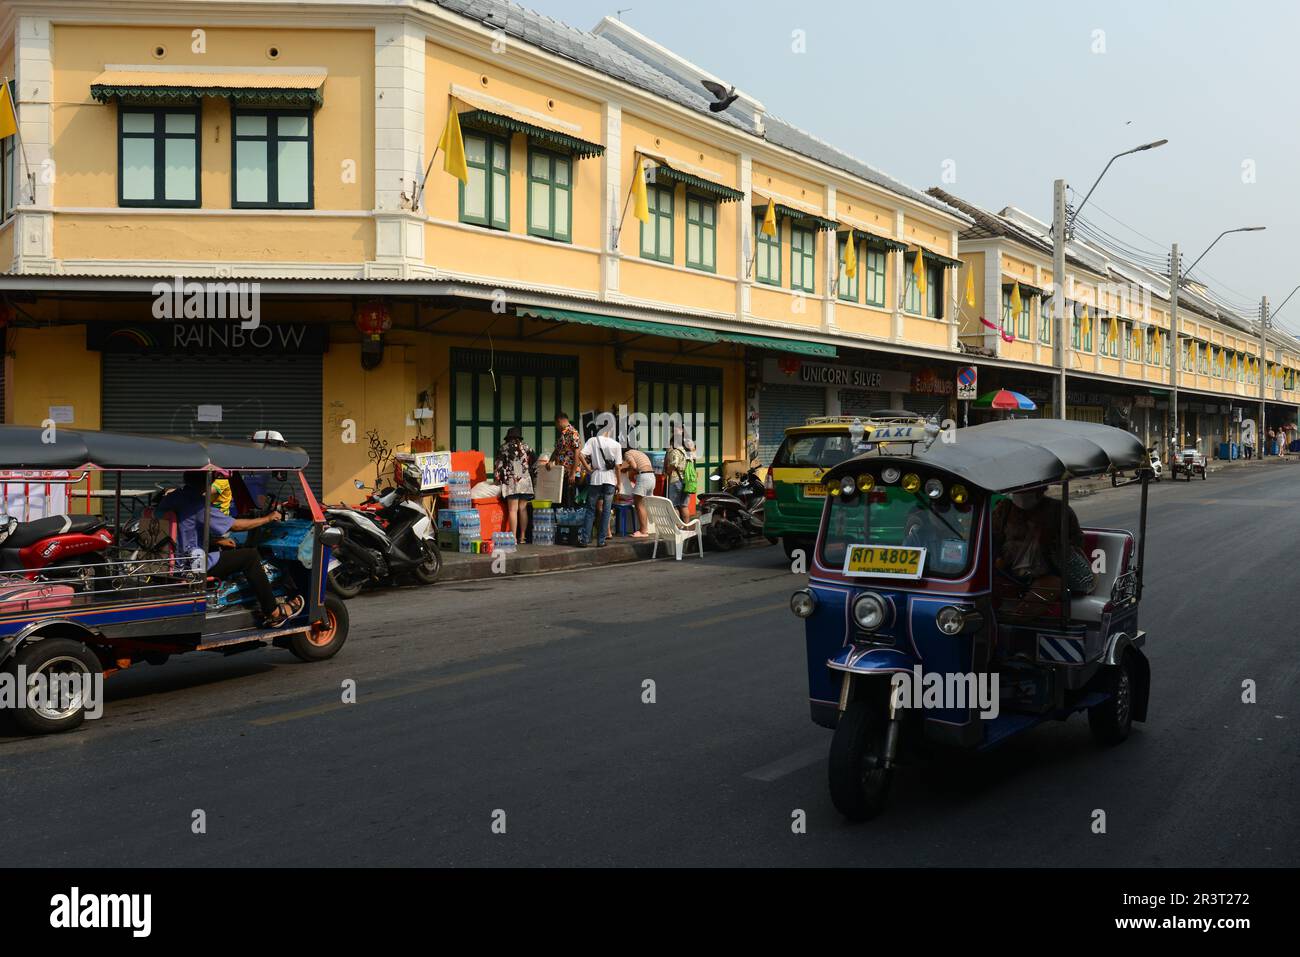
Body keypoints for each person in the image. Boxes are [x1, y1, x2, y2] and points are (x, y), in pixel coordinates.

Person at [159, 471, 302, 625]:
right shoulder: (198, 505)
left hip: (173, 560)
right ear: (208, 481)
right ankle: (273, 611)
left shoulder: (173, 498)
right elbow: (235, 525)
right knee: (250, 556)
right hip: (193, 564)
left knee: (228, 547)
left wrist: (217, 541)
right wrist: (267, 518)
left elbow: (183, 530)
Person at [990, 486, 1094, 619]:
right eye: (1019, 490)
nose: (1022, 494)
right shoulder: (1004, 509)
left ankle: (1015, 623)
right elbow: (992, 539)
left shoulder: (1058, 510)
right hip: (1008, 573)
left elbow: (1076, 543)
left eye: (1026, 489)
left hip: (1048, 574)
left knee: (1049, 587)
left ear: (1041, 489)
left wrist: (1051, 543)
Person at [577, 423, 621, 547]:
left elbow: (580, 454)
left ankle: (585, 540)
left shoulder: (593, 441)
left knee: (590, 509)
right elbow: (618, 466)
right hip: (610, 479)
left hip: (596, 478)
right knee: (607, 510)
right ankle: (601, 541)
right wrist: (619, 483)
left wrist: (588, 468)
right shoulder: (616, 445)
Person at [495, 426, 536, 543]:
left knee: (512, 510)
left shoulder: (503, 448)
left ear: (508, 437)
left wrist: (497, 479)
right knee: (522, 509)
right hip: (525, 481)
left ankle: (513, 537)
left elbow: (498, 466)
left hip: (511, 481)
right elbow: (534, 463)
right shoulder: (527, 448)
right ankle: (522, 536)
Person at [546, 412, 583, 508]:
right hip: (562, 472)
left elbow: (577, 453)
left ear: (559, 421)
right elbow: (557, 450)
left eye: (556, 424)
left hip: (570, 472)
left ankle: (568, 521)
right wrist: (550, 461)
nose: (556, 427)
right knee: (561, 499)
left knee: (569, 499)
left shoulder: (573, 433)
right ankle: (562, 520)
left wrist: (573, 473)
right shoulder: (563, 434)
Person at [621, 445, 654, 538]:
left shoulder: (627, 454)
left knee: (638, 504)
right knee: (645, 504)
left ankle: (643, 531)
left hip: (644, 477)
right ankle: (647, 529)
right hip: (652, 477)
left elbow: (634, 466)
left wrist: (626, 469)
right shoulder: (639, 453)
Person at [663, 426, 693, 522]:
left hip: (676, 479)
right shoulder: (688, 449)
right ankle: (686, 528)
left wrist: (667, 471)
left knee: (674, 505)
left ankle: (678, 528)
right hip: (687, 480)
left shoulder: (675, 449)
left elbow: (674, 464)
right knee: (684, 505)